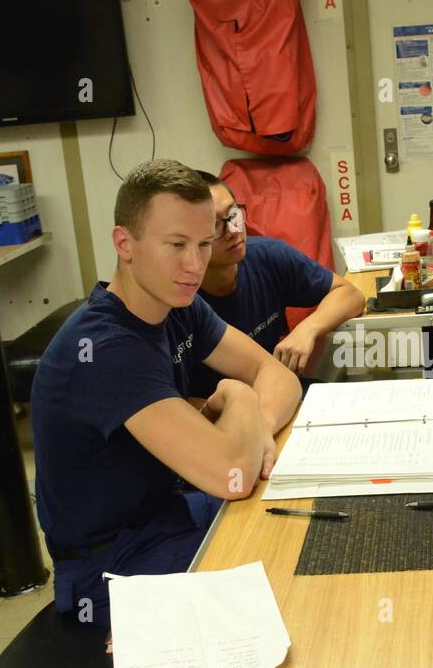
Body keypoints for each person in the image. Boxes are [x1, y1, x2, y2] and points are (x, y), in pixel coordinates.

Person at [31, 160, 302, 628]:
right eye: (176, 245)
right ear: (125, 244)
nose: (194, 266)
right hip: (110, 569)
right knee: (288, 588)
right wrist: (237, 395)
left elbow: (279, 375)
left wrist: (253, 433)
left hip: (169, 514)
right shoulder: (106, 349)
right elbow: (230, 473)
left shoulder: (177, 304)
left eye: (202, 244)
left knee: (300, 523)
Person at [192, 170, 366, 397]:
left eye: (234, 214)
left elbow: (351, 294)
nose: (234, 230)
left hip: (279, 392)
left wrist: (307, 330)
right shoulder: (180, 300)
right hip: (223, 414)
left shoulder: (266, 255)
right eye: (216, 225)